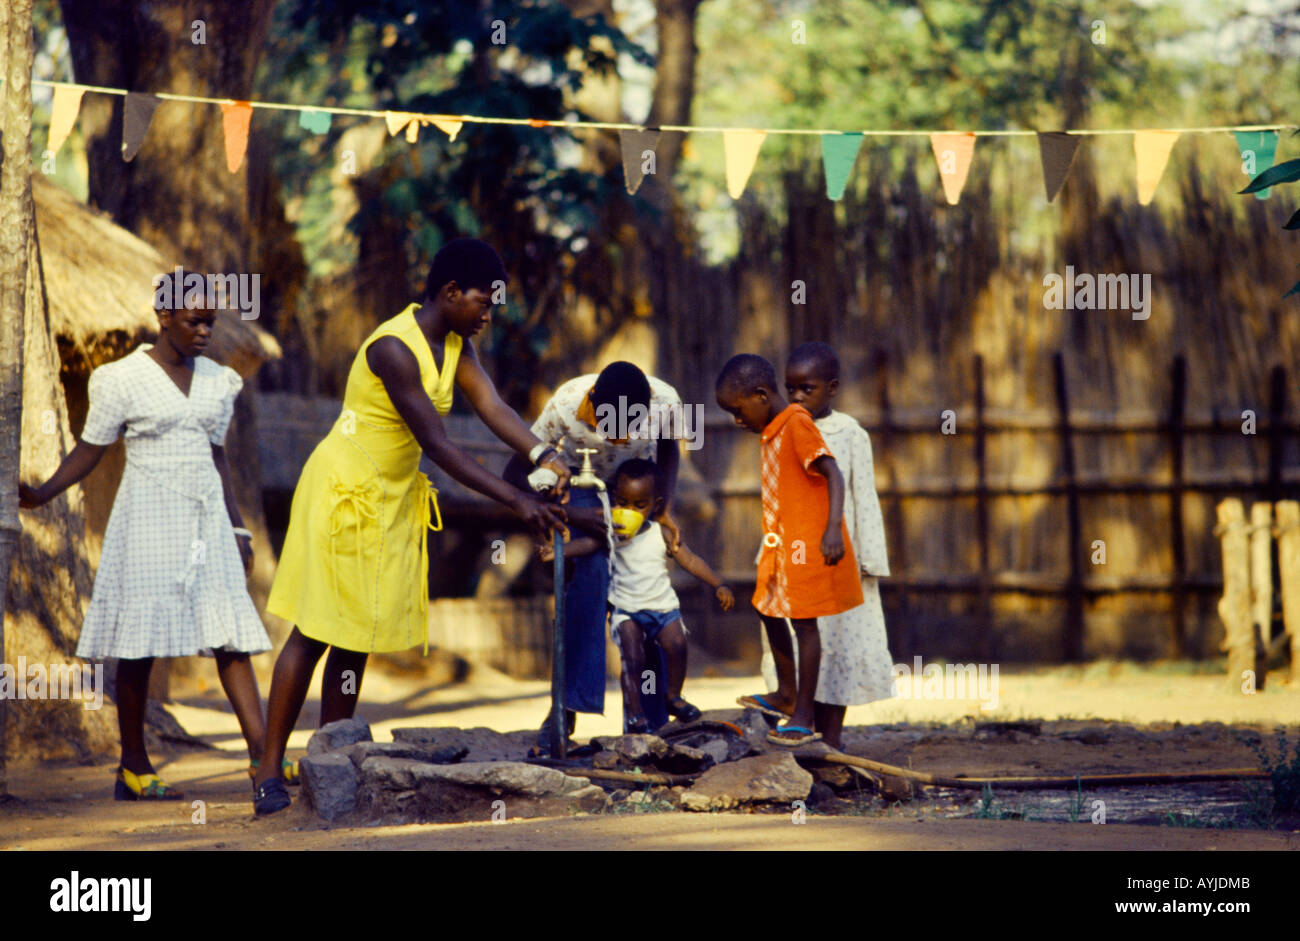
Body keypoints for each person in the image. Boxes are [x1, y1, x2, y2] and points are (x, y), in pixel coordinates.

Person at [252, 238, 569, 815]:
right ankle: (269, 770)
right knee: (316, 631)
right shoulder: (394, 348)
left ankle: (328, 760)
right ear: (450, 292)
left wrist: (546, 456)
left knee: (356, 636)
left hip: (390, 500)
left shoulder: (455, 346)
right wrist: (517, 502)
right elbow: (441, 448)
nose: (488, 315)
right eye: (483, 301)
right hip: (344, 494)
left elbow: (495, 410)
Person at [18, 287, 270, 800]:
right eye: (195, 321)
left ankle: (262, 759)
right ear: (164, 315)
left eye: (211, 324)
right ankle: (132, 765)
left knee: (231, 637)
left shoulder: (218, 382)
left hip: (206, 524)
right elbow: (91, 449)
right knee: (139, 646)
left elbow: (217, 459)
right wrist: (43, 493)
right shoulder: (120, 379)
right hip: (148, 521)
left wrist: (238, 528)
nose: (204, 332)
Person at [505, 361, 686, 752]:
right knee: (590, 572)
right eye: (611, 427)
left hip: (636, 491)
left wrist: (665, 506)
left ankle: (648, 723)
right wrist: (569, 512)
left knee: (642, 583)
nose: (620, 438)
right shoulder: (566, 406)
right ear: (593, 404)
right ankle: (565, 709)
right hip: (578, 488)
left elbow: (670, 451)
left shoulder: (666, 401)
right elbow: (513, 474)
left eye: (630, 428)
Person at [753, 342, 895, 751]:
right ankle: (801, 720)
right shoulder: (780, 429)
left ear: (832, 388)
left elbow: (862, 494)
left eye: (807, 389)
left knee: (841, 644)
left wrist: (867, 557)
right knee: (806, 639)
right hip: (796, 559)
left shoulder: (850, 434)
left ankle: (831, 739)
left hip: (838, 557)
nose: (796, 397)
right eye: (790, 388)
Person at [715, 354, 862, 746]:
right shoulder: (775, 430)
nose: (736, 420)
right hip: (782, 543)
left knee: (804, 625)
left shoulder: (797, 423)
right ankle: (787, 693)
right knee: (766, 606)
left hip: (808, 544)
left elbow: (832, 472)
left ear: (761, 395)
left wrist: (833, 529)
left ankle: (804, 713)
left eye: (737, 410)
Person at [553, 458, 733, 733]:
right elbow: (587, 544)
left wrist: (718, 584)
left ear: (656, 506)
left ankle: (673, 696)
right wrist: (557, 551)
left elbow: (691, 560)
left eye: (640, 506)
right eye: (623, 503)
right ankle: (635, 713)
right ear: (614, 500)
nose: (629, 511)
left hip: (663, 608)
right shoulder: (611, 532)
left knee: (677, 645)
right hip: (627, 611)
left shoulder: (660, 533)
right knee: (633, 658)